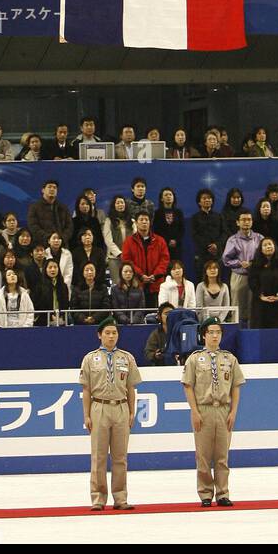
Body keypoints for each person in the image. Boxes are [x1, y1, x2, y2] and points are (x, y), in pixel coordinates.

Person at [181, 317, 245, 507]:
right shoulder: (195, 358)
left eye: (218, 332)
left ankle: (223, 493)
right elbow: (188, 385)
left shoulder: (229, 358)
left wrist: (233, 411)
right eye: (211, 332)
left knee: (222, 455)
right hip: (204, 408)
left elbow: (236, 386)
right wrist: (194, 411)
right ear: (204, 335)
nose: (215, 336)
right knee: (203, 455)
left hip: (223, 409)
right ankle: (206, 493)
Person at [80, 317, 141, 511]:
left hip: (121, 407)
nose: (111, 336)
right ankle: (98, 498)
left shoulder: (126, 358)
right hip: (99, 407)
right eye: (107, 332)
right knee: (98, 456)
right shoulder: (90, 358)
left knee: (120, 456)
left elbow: (131, 387)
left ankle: (120, 498)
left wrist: (132, 411)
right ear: (99, 335)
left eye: (114, 332)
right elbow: (87, 389)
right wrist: (87, 415)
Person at [222, 209, 262, 328]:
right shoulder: (232, 240)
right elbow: (226, 259)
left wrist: (254, 263)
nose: (246, 222)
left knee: (254, 308)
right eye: (243, 220)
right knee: (237, 308)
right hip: (239, 277)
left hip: (256, 277)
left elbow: (265, 256)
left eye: (249, 219)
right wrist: (239, 263)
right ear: (237, 222)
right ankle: (236, 334)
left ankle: (253, 334)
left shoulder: (259, 238)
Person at [120, 210, 169, 305]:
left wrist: (155, 275)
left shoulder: (160, 240)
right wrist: (140, 275)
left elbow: (164, 260)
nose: (144, 222)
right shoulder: (128, 242)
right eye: (141, 219)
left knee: (155, 313)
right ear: (136, 223)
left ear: (150, 223)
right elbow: (127, 261)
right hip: (136, 283)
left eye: (146, 220)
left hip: (156, 284)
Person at [248, 238, 278, 328]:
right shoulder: (255, 265)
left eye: (270, 244)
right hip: (261, 303)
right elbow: (252, 282)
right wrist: (261, 296)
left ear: (275, 247)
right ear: (260, 249)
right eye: (265, 245)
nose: (268, 247)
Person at [28, 179, 74, 246]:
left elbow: (69, 226)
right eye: (49, 187)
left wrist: (61, 238)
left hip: (61, 245)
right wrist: (49, 238)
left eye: (54, 188)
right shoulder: (34, 207)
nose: (52, 189)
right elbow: (33, 226)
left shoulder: (63, 208)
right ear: (43, 190)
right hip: (42, 246)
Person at [110, 261, 146, 325]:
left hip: (137, 322)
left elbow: (141, 307)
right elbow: (115, 308)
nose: (128, 273)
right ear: (121, 273)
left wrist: (133, 320)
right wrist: (125, 320)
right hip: (120, 323)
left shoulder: (139, 289)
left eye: (130, 271)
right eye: (125, 271)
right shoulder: (114, 289)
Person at [195, 259, 231, 323]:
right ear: (205, 272)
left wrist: (218, 320)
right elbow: (199, 307)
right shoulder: (200, 286)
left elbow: (226, 307)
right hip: (205, 320)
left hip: (220, 320)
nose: (212, 270)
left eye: (215, 268)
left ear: (218, 271)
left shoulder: (224, 286)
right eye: (209, 268)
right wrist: (207, 321)